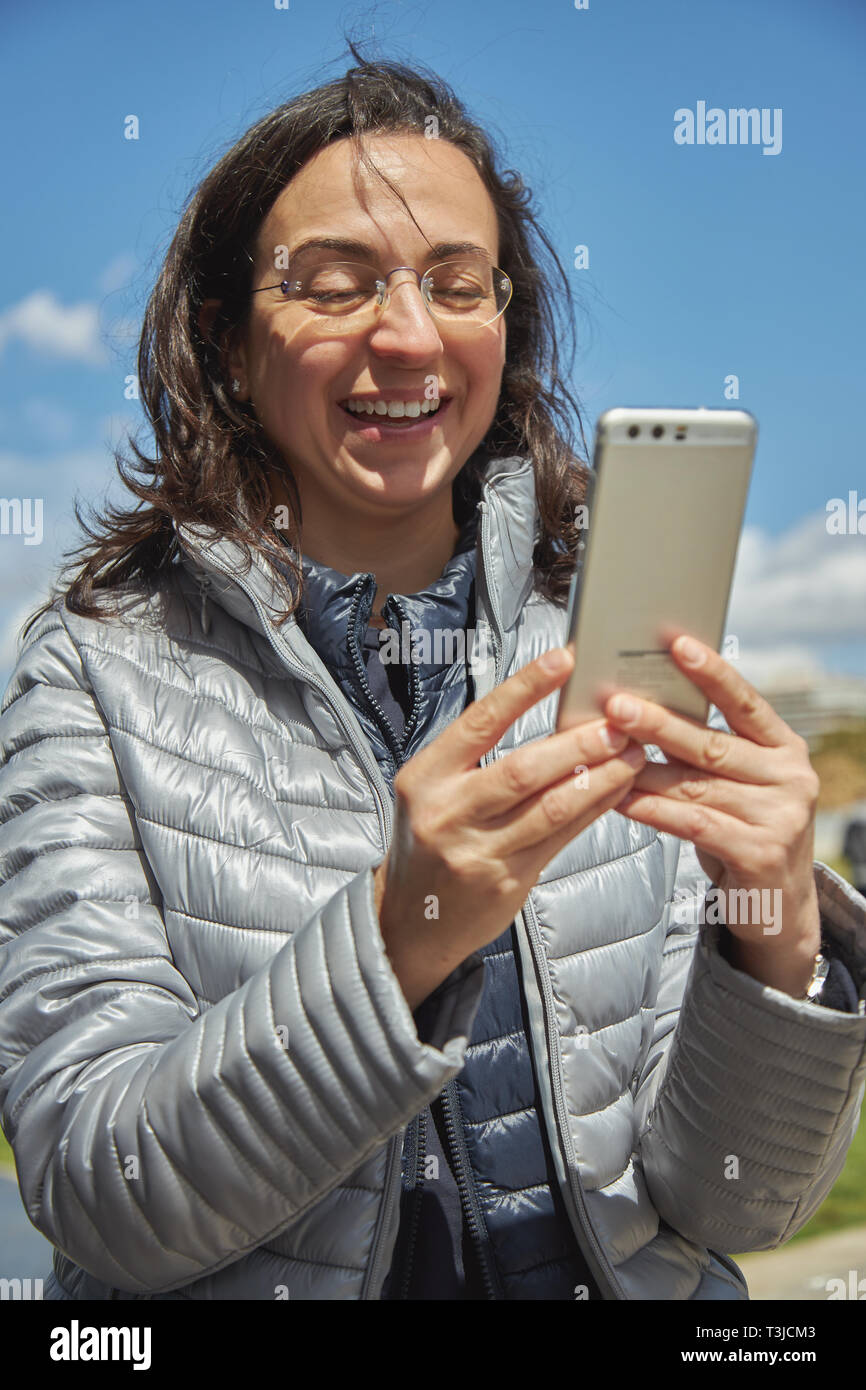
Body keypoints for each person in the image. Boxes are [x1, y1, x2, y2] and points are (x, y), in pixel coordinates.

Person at [1, 52, 865, 1303]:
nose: (406, 335)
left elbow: (739, 1202)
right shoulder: (90, 670)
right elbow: (99, 1190)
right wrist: (401, 933)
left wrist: (771, 937)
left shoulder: (618, 650)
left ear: (501, 336)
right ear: (228, 346)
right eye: (335, 285)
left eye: (458, 285)